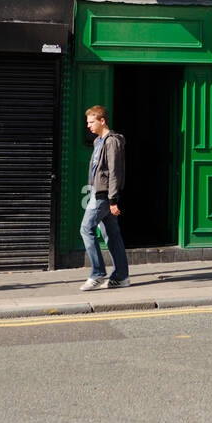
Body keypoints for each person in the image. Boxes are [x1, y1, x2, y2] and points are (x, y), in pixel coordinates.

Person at [79, 105, 130, 290]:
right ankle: (122, 276)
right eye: (87, 122)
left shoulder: (112, 141)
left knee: (86, 229)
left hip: (103, 195)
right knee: (112, 235)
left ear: (102, 121)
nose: (88, 126)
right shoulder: (98, 141)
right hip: (97, 192)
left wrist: (113, 200)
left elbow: (115, 172)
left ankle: (98, 273)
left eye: (91, 122)